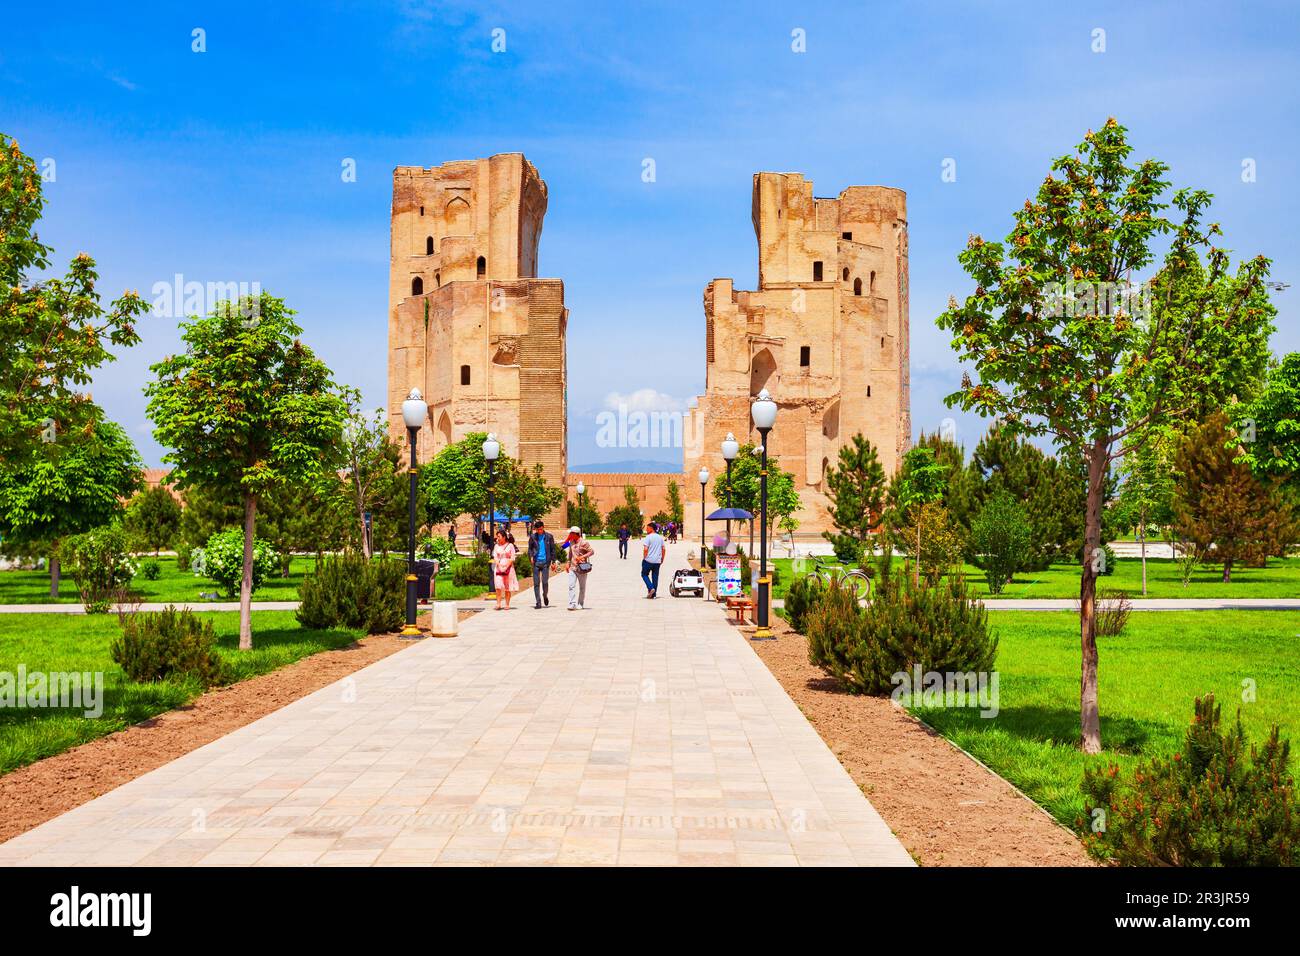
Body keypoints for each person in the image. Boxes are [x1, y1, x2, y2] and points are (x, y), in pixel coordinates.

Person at [561, 526, 594, 610]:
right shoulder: (571, 541)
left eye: (571, 533)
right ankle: (572, 604)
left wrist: (582, 556)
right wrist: (568, 563)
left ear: (576, 534)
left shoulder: (584, 542)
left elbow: (592, 551)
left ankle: (580, 603)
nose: (569, 534)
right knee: (571, 586)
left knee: (582, 587)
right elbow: (570, 553)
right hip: (573, 567)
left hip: (582, 568)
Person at [527, 520, 557, 609]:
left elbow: (552, 550)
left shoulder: (549, 537)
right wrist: (531, 556)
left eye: (540, 529)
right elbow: (530, 549)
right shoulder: (533, 537)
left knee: (545, 582)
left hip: (545, 563)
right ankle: (538, 602)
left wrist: (553, 561)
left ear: (543, 528)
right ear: (535, 529)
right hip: (536, 563)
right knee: (536, 583)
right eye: (537, 529)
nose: (539, 531)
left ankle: (545, 595)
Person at [492, 529, 519, 610]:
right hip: (498, 567)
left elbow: (512, 557)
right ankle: (498, 603)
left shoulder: (510, 546)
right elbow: (495, 557)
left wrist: (506, 566)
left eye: (499, 537)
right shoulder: (496, 546)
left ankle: (507, 604)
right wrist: (499, 565)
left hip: (508, 568)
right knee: (498, 585)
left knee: (507, 586)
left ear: (504, 537)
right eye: (497, 537)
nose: (498, 539)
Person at [641, 521, 666, 598]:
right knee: (655, 577)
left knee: (644, 574)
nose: (646, 530)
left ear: (651, 528)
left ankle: (651, 588)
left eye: (647, 528)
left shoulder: (648, 537)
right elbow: (663, 549)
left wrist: (644, 557)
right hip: (657, 561)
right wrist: (662, 558)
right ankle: (654, 594)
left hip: (648, 560)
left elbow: (645, 549)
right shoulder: (660, 537)